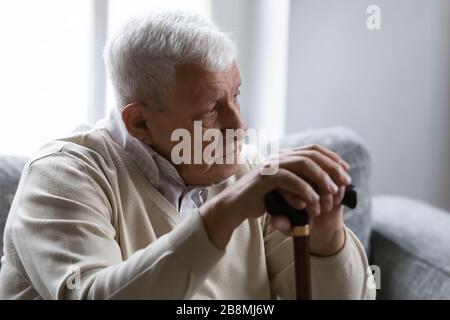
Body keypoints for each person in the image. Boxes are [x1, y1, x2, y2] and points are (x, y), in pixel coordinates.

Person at [0, 11, 375, 299]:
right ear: (140, 122)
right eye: (209, 112)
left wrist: (325, 239)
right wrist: (227, 211)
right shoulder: (62, 177)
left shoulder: (244, 170)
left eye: (236, 96)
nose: (240, 128)